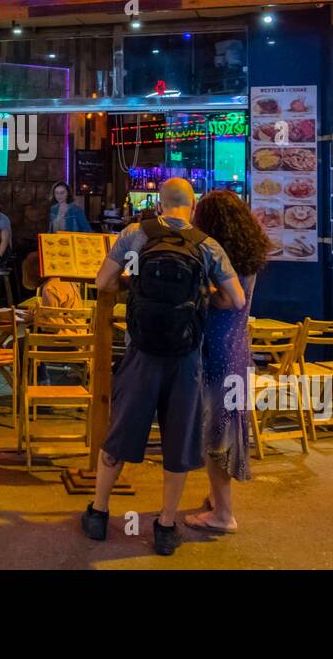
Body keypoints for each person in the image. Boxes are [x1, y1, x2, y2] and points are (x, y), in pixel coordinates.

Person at [80, 178, 243, 556]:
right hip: (185, 358)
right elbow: (235, 299)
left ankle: (99, 513)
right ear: (192, 204)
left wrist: (136, 284)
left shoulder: (135, 234)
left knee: (121, 431)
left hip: (141, 353)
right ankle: (166, 527)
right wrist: (201, 296)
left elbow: (102, 281)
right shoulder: (207, 245)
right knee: (178, 440)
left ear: (159, 204)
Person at [185, 189, 269, 535]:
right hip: (237, 347)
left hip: (216, 349)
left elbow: (222, 302)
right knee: (228, 427)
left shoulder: (217, 259)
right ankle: (215, 500)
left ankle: (223, 514)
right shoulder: (248, 256)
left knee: (214, 433)